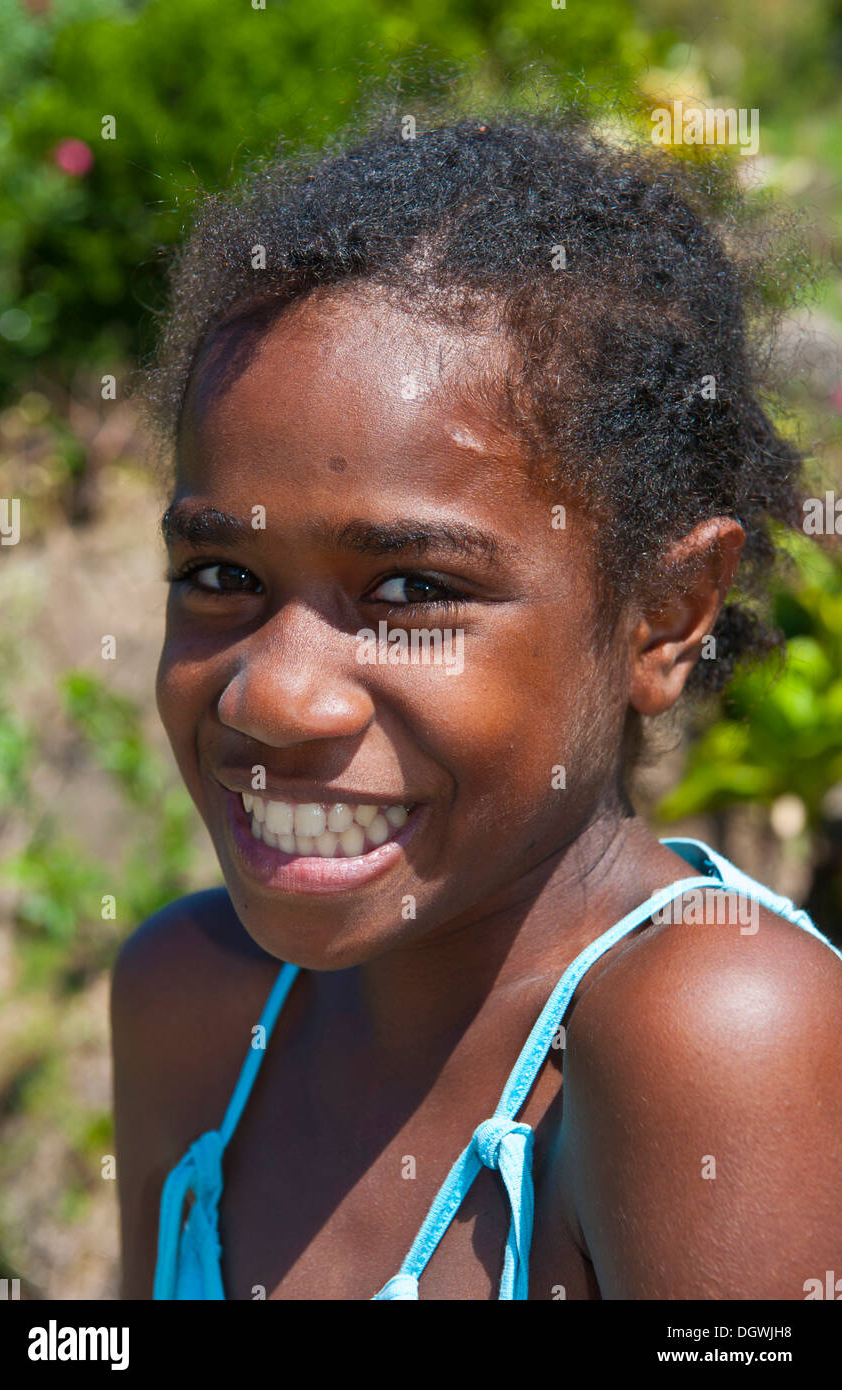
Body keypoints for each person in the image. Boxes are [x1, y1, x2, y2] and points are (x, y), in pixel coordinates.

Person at [112, 96, 842, 1300]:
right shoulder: (193, 1002)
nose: (275, 695)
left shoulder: (714, 1033)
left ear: (667, 612)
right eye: (222, 576)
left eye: (409, 587)